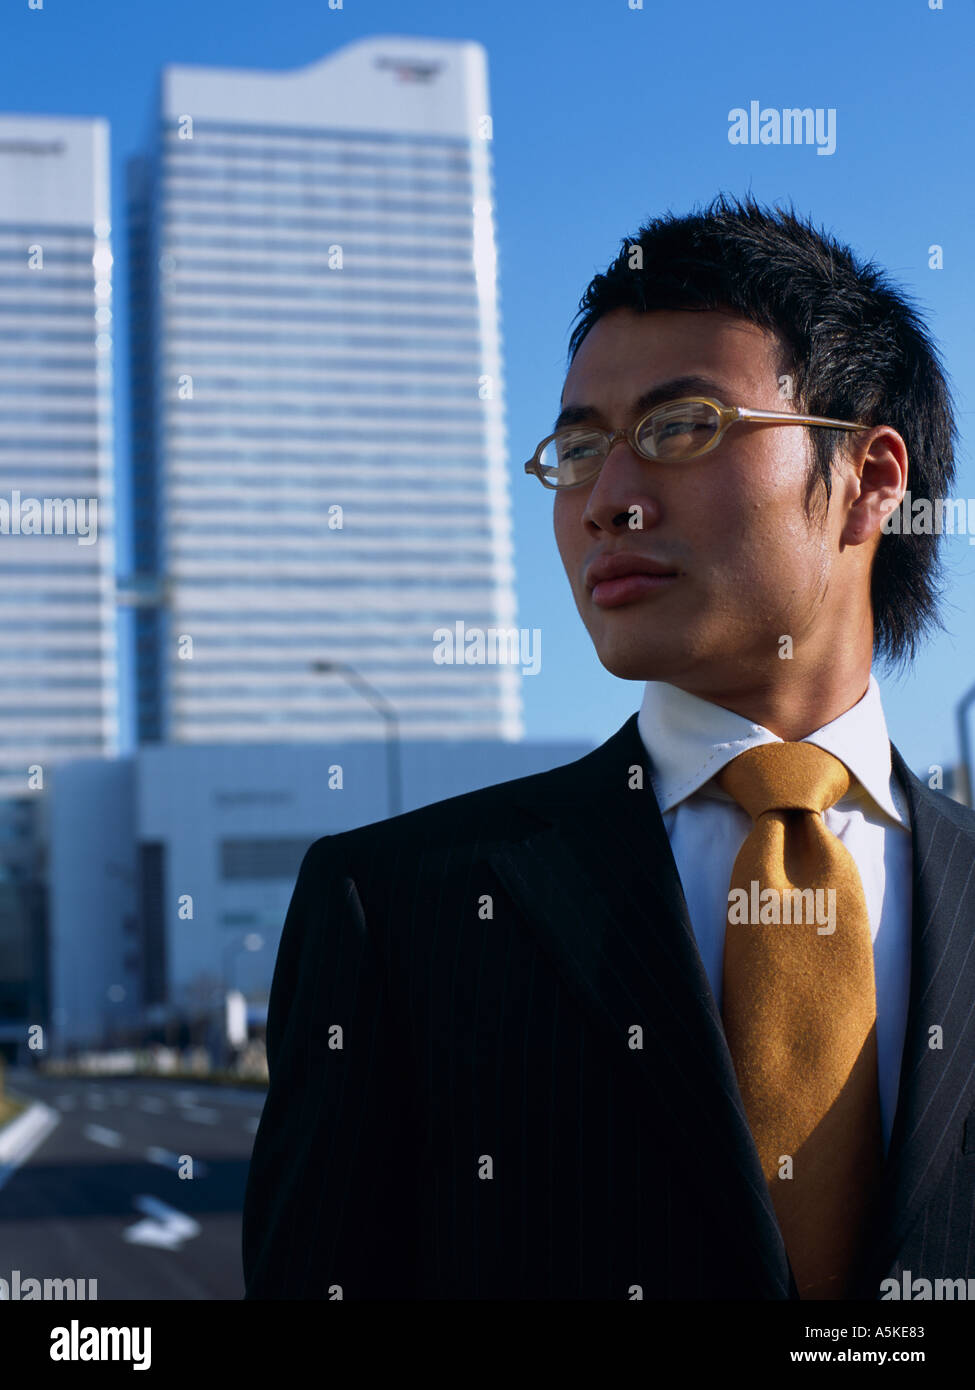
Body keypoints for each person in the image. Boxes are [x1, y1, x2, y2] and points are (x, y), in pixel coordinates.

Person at [242, 194, 975, 1300]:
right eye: (579, 447)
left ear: (873, 481)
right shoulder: (393, 907)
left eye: (684, 428)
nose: (608, 501)